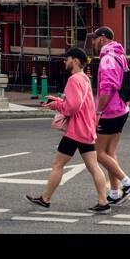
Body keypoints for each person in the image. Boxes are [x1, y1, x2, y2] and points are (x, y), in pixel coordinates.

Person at [25, 47, 111, 213]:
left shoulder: (73, 80)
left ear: (76, 61)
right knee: (94, 166)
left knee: (57, 164)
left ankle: (46, 199)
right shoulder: (85, 78)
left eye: (67, 58)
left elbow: (72, 107)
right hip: (86, 129)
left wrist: (56, 105)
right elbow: (80, 103)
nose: (65, 61)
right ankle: (103, 202)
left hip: (76, 131)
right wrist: (57, 100)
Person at [91, 27, 130, 205]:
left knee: (96, 152)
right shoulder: (119, 55)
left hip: (111, 112)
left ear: (102, 38)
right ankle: (115, 193)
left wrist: (98, 112)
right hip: (122, 109)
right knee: (110, 152)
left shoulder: (108, 59)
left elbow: (106, 89)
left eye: (94, 39)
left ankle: (128, 183)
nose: (93, 43)